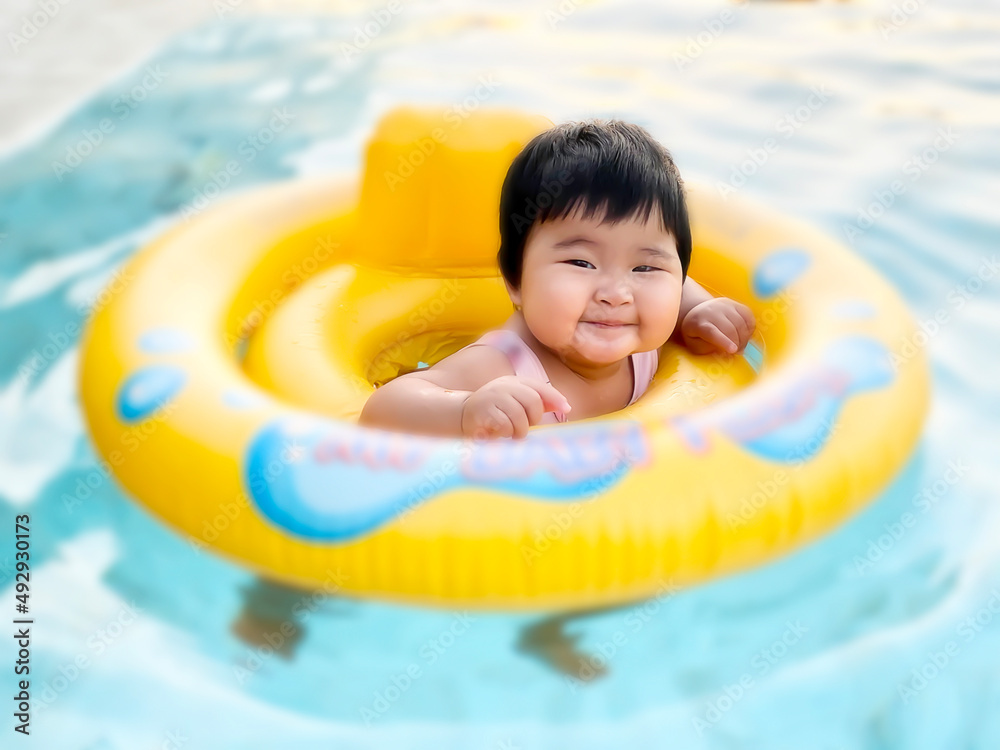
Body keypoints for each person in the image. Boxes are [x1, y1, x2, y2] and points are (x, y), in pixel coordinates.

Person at [359, 118, 755, 440]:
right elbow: (382, 410)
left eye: (644, 268)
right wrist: (465, 410)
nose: (617, 294)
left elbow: (676, 284)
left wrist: (699, 310)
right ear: (514, 279)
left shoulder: (642, 320)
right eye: (581, 263)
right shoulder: (500, 365)